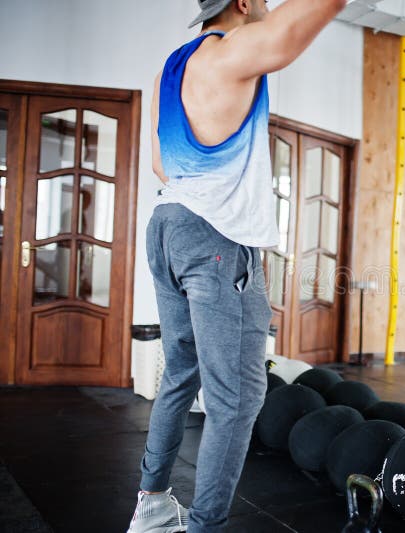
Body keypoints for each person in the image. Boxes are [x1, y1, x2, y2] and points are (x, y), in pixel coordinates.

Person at [127, 0, 346, 531]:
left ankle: (152, 503)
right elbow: (292, 29)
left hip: (168, 225)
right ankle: (205, 527)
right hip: (217, 241)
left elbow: (161, 161)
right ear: (243, 2)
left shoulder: (169, 69)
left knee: (181, 373)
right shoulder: (227, 55)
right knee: (237, 398)